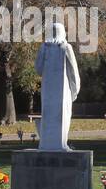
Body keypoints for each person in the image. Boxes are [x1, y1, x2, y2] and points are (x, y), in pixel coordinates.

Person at [34, 22, 80, 151]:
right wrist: (75, 89)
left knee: (48, 115)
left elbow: (38, 68)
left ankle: (46, 144)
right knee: (63, 115)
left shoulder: (44, 48)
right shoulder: (66, 48)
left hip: (48, 90)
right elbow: (73, 71)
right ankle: (61, 145)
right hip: (63, 91)